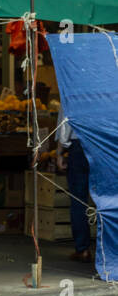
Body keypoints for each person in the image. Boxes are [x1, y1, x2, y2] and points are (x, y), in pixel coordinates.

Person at [56, 109, 94, 263]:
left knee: (78, 200)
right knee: (108, 199)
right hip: (105, 145)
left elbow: (65, 124)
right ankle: (109, 250)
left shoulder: (72, 88)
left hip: (78, 146)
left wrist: (59, 152)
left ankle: (83, 249)